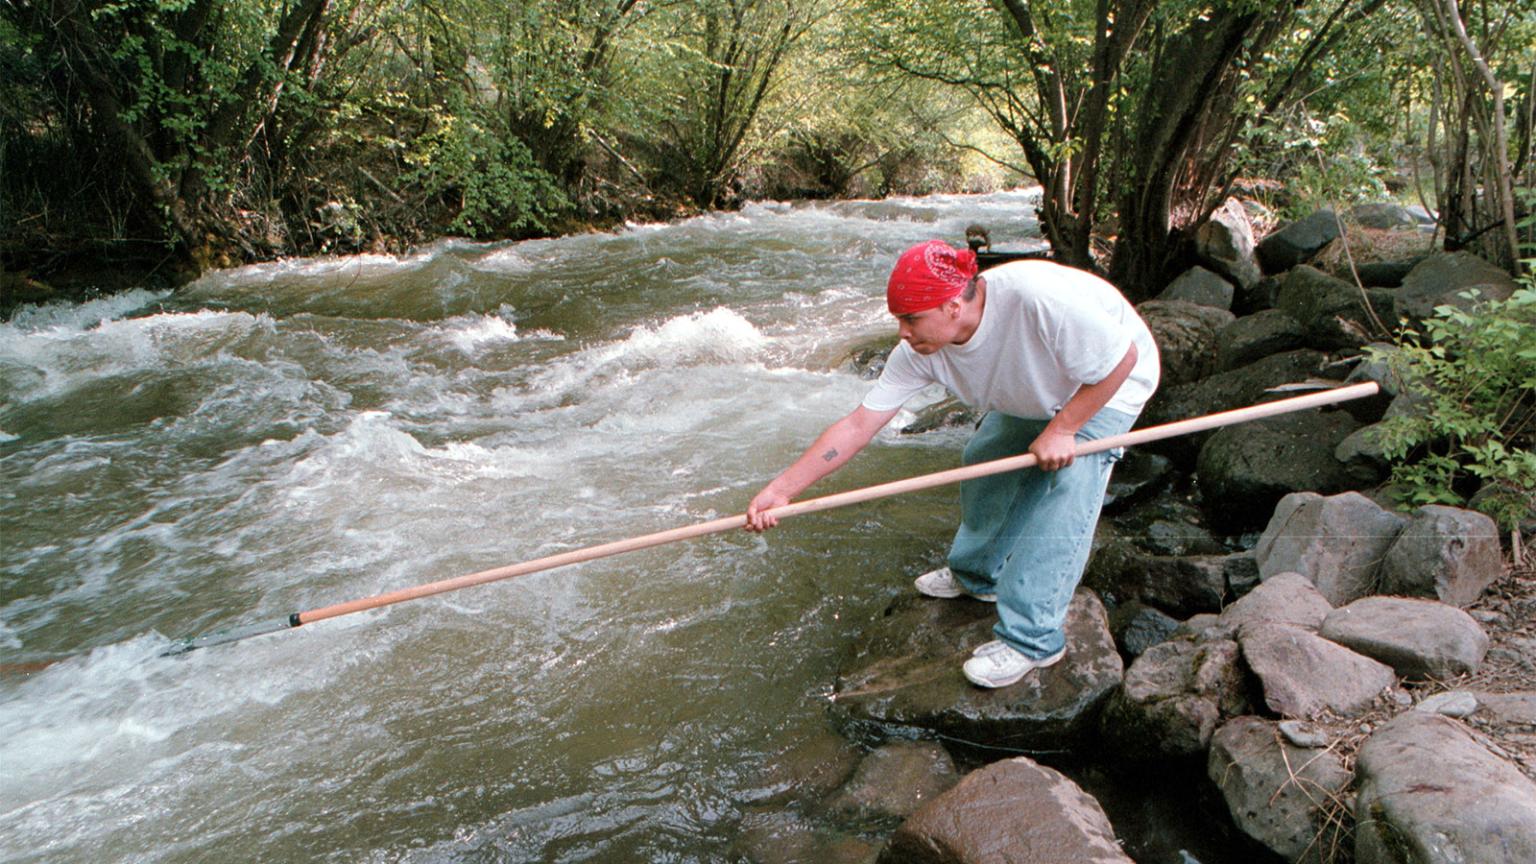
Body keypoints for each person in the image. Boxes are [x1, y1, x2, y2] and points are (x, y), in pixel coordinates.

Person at [745, 240, 1160, 688]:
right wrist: (782, 489)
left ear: (951, 306)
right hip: (1036, 388)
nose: (902, 332)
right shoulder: (922, 350)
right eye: (899, 320)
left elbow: (1123, 358)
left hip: (1109, 383)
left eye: (910, 319)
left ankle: (1034, 639)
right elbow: (859, 425)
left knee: (1068, 489)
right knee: (984, 457)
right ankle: (979, 574)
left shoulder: (1035, 298)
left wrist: (1064, 429)